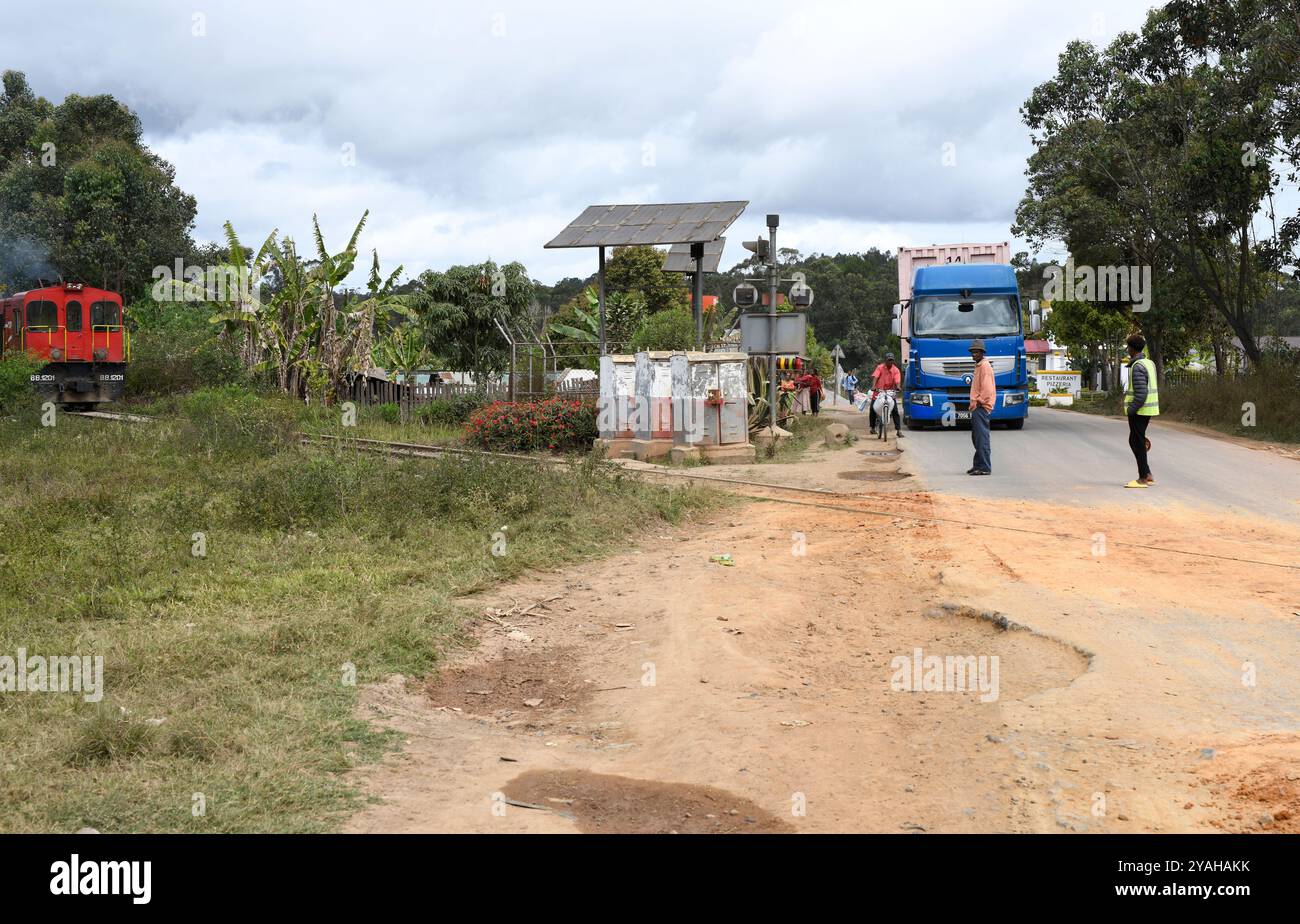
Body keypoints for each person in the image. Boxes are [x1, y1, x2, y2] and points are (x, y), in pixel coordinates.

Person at [1123, 333, 1159, 488]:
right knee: (1135, 440)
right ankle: (1148, 473)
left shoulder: (1138, 366)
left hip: (1140, 410)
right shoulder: (1148, 363)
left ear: (1132, 348)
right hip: (1148, 409)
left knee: (1137, 441)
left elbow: (1141, 393)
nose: (1127, 349)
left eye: (1128, 347)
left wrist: (1131, 409)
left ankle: (1143, 478)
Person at [967, 339, 994, 475]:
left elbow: (987, 389)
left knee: (982, 438)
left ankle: (984, 467)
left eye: (977, 352)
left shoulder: (984, 366)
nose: (974, 354)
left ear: (982, 353)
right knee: (976, 437)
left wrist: (978, 401)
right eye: (973, 352)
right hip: (977, 406)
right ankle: (977, 465)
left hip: (981, 407)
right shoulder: (979, 365)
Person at [869, 353, 904, 437]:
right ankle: (872, 428)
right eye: (888, 360)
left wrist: (898, 387)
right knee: (872, 409)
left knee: (895, 410)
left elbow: (897, 380)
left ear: (893, 361)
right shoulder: (880, 367)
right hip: (878, 392)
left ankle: (898, 430)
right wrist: (873, 386)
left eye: (892, 360)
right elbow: (875, 377)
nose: (890, 362)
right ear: (885, 360)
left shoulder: (896, 370)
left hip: (890, 392)